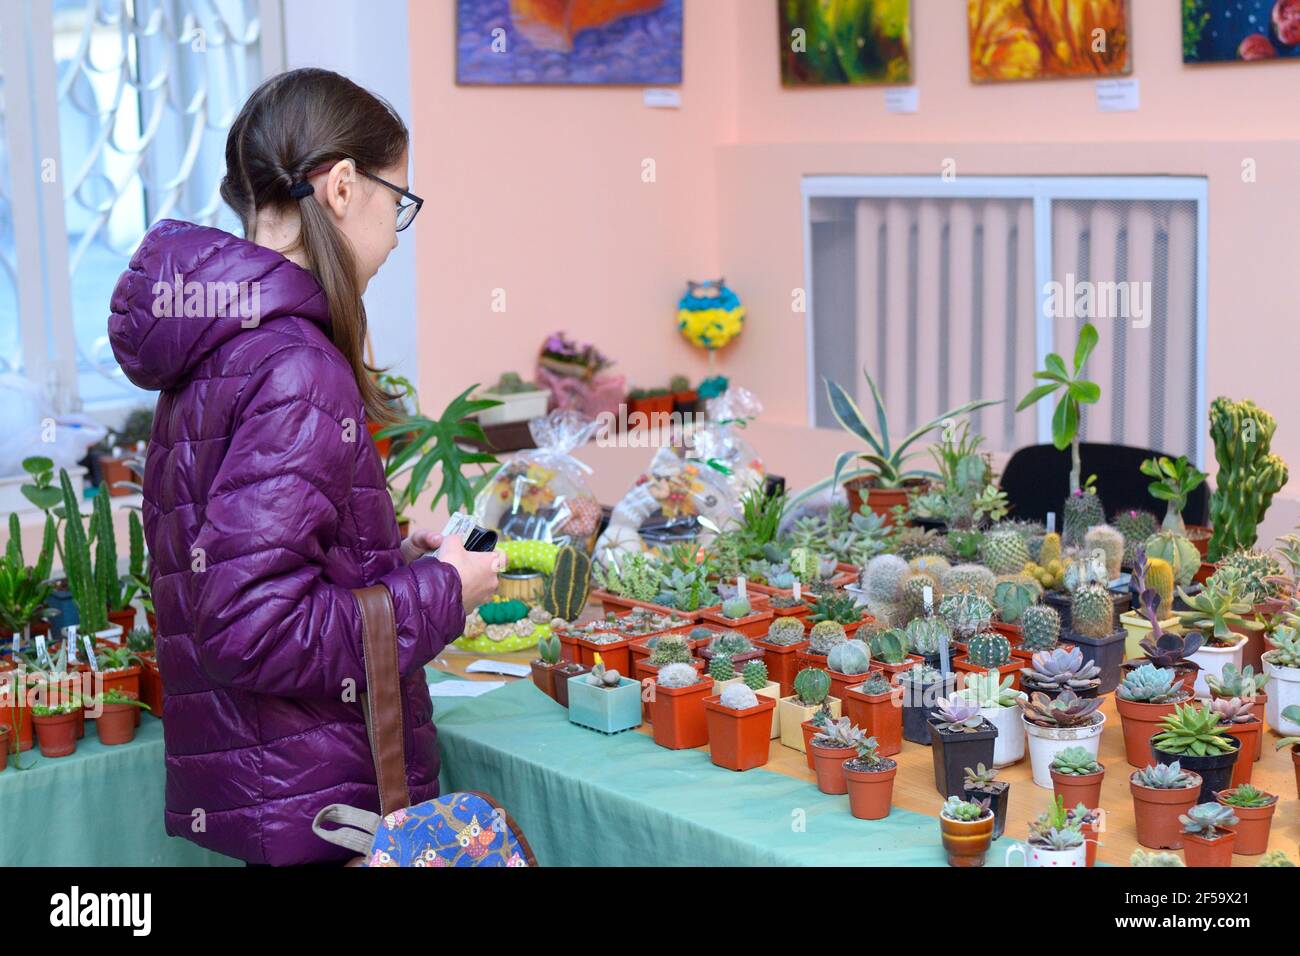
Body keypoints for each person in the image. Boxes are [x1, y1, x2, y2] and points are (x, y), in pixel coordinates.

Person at [107, 68, 503, 865]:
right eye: (401, 201)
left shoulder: (222, 342)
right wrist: (442, 590)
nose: (396, 234)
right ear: (346, 187)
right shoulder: (296, 365)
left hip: (273, 795)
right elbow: (253, 626)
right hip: (321, 813)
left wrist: (380, 544)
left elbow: (241, 556)